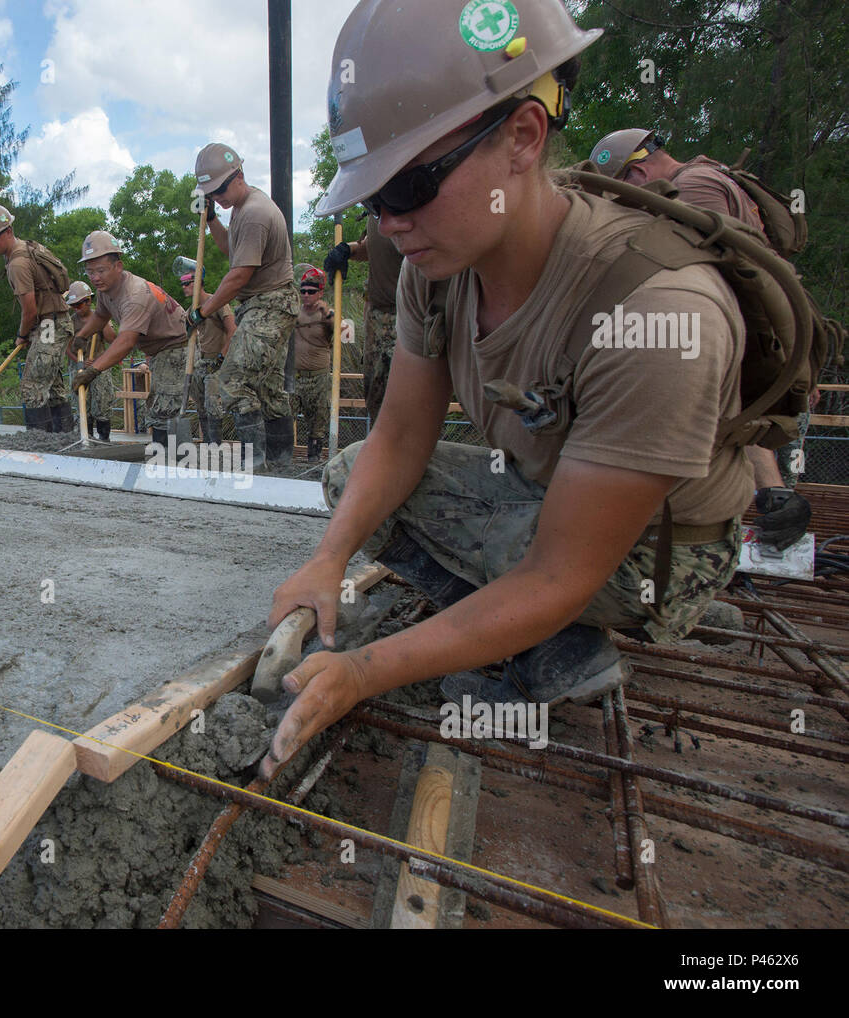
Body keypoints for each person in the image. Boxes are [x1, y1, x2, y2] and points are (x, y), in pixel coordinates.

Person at [260, 0, 756, 778]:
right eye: (373, 198)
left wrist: (365, 671)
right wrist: (327, 560)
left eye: (410, 186)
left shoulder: (656, 310)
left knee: (552, 586)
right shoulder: (441, 268)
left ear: (523, 137)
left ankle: (557, 645)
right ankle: (546, 638)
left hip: (653, 555)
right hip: (547, 493)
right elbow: (398, 440)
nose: (389, 224)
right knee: (348, 474)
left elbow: (562, 571)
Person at [590, 129, 813, 551]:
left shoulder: (690, 188)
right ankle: (767, 524)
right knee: (750, 433)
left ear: (636, 171)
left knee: (727, 429)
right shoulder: (712, 173)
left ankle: (731, 542)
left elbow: (708, 270)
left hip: (745, 337)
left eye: (628, 192)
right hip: (768, 336)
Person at [191, 143, 299, 468]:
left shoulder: (254, 213)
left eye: (220, 188)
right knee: (267, 388)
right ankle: (280, 465)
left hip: (270, 304)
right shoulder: (240, 208)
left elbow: (239, 275)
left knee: (232, 380)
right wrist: (211, 219)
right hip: (261, 305)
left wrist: (203, 311)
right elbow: (231, 249)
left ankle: (256, 464)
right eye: (211, 192)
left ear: (239, 175)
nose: (218, 196)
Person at [68, 231, 190, 447]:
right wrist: (82, 335)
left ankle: (174, 463)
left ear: (118, 266)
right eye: (90, 272)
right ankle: (166, 457)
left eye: (101, 270)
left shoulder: (134, 296)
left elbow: (125, 342)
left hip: (177, 346)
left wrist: (92, 370)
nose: (95, 277)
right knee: (160, 406)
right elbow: (101, 315)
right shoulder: (107, 289)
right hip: (159, 349)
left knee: (165, 407)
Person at [0, 202, 75, 433]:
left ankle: (39, 443)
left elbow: (29, 310)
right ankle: (64, 437)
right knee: (52, 386)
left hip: (49, 324)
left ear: (8, 231)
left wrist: (22, 335)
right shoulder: (29, 247)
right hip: (53, 323)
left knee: (32, 386)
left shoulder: (17, 263)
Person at [323, 215, 404, 423]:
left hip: (408, 319)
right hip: (376, 320)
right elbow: (376, 246)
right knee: (376, 398)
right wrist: (349, 249)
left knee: (404, 405)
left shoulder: (412, 199)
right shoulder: (377, 206)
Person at [179, 266, 236, 443]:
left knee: (213, 405)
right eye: (182, 284)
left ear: (197, 284)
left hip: (218, 363)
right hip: (200, 363)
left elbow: (232, 330)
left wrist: (222, 357)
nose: (183, 287)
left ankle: (215, 445)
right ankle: (207, 444)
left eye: (187, 283)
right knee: (201, 406)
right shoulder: (191, 311)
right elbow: (186, 336)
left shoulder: (217, 303)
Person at [62, 280, 117, 441]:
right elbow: (66, 347)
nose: (77, 309)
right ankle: (87, 437)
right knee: (81, 403)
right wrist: (80, 362)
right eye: (74, 306)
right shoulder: (71, 322)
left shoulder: (100, 317)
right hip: (78, 366)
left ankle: (104, 439)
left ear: (88, 301)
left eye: (79, 305)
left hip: (99, 366)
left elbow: (112, 339)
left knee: (101, 403)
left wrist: (102, 320)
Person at [291, 267, 335, 462]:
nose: (306, 295)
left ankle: (314, 458)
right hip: (295, 376)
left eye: (311, 291)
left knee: (318, 420)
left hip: (318, 377)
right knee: (284, 416)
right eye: (303, 291)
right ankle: (281, 457)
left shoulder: (327, 314)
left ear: (320, 292)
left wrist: (326, 312)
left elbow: (338, 328)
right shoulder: (294, 313)